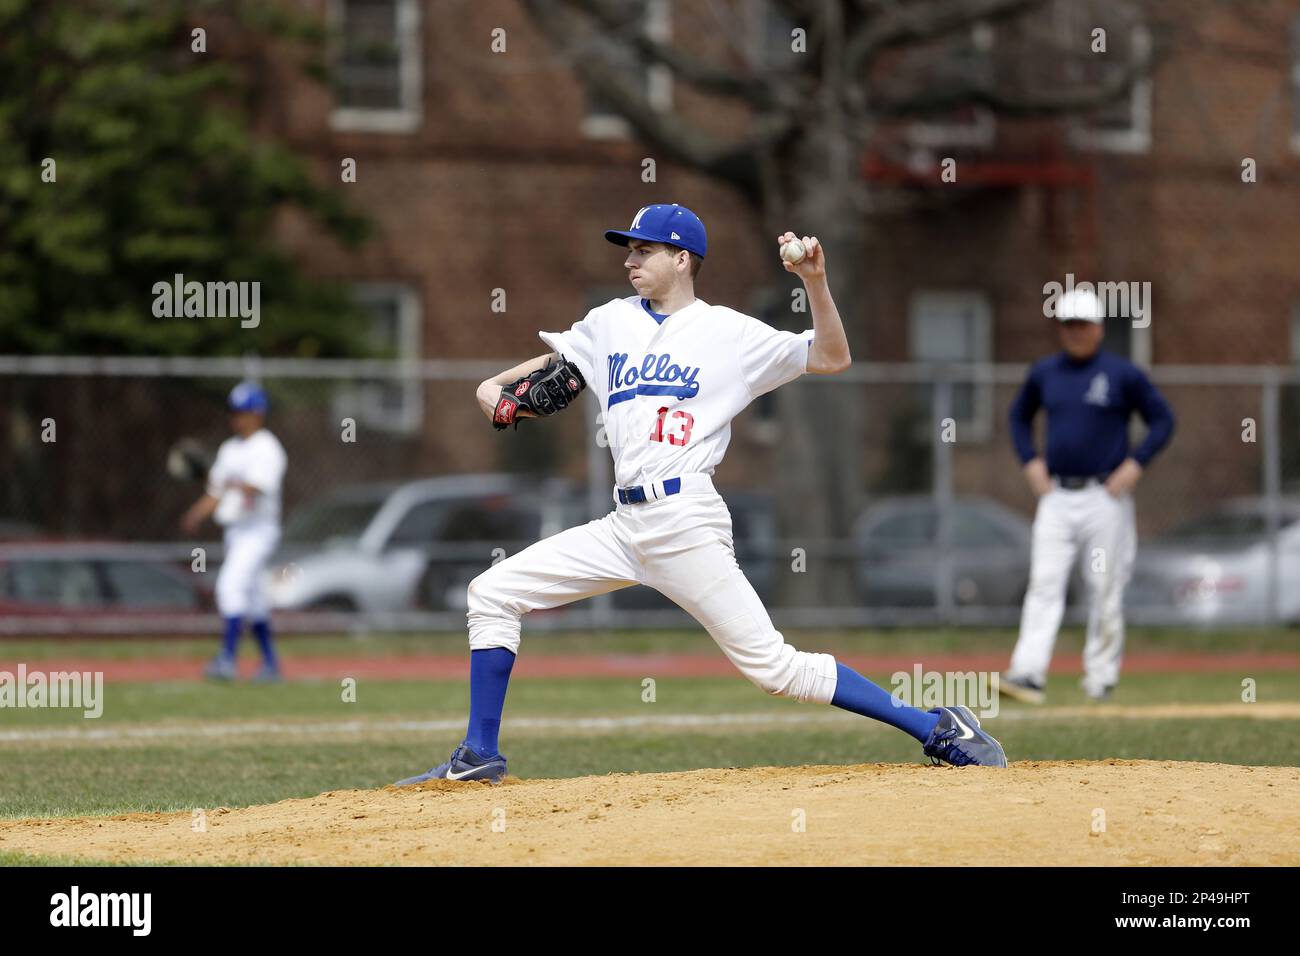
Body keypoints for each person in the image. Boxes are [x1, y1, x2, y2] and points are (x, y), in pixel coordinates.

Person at [396, 202, 1007, 786]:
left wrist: (814, 282)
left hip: (685, 519)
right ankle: (478, 755)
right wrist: (494, 386)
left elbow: (831, 356)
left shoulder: (727, 333)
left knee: (774, 667)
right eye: (628, 250)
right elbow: (560, 364)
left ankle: (937, 726)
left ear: (683, 258)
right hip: (622, 524)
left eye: (645, 250)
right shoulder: (611, 321)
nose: (630, 260)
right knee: (493, 593)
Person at [1001, 288, 1175, 704]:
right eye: (1068, 325)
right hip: (1058, 495)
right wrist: (1030, 461)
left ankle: (1100, 677)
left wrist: (1135, 465)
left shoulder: (1122, 374)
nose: (1075, 332)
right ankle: (1027, 673)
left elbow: (1163, 420)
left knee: (1103, 585)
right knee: (1044, 582)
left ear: (1098, 328)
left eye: (1082, 324)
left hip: (1105, 497)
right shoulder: (1045, 373)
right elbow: (1018, 417)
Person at [181, 382, 288, 682]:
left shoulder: (268, 447)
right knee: (253, 600)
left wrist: (228, 482)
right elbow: (215, 491)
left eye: (243, 412)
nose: (237, 418)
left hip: (260, 530)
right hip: (236, 531)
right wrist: (195, 514)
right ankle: (270, 664)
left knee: (229, 586)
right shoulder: (230, 449)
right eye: (233, 412)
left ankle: (227, 659)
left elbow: (258, 485)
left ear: (258, 414)